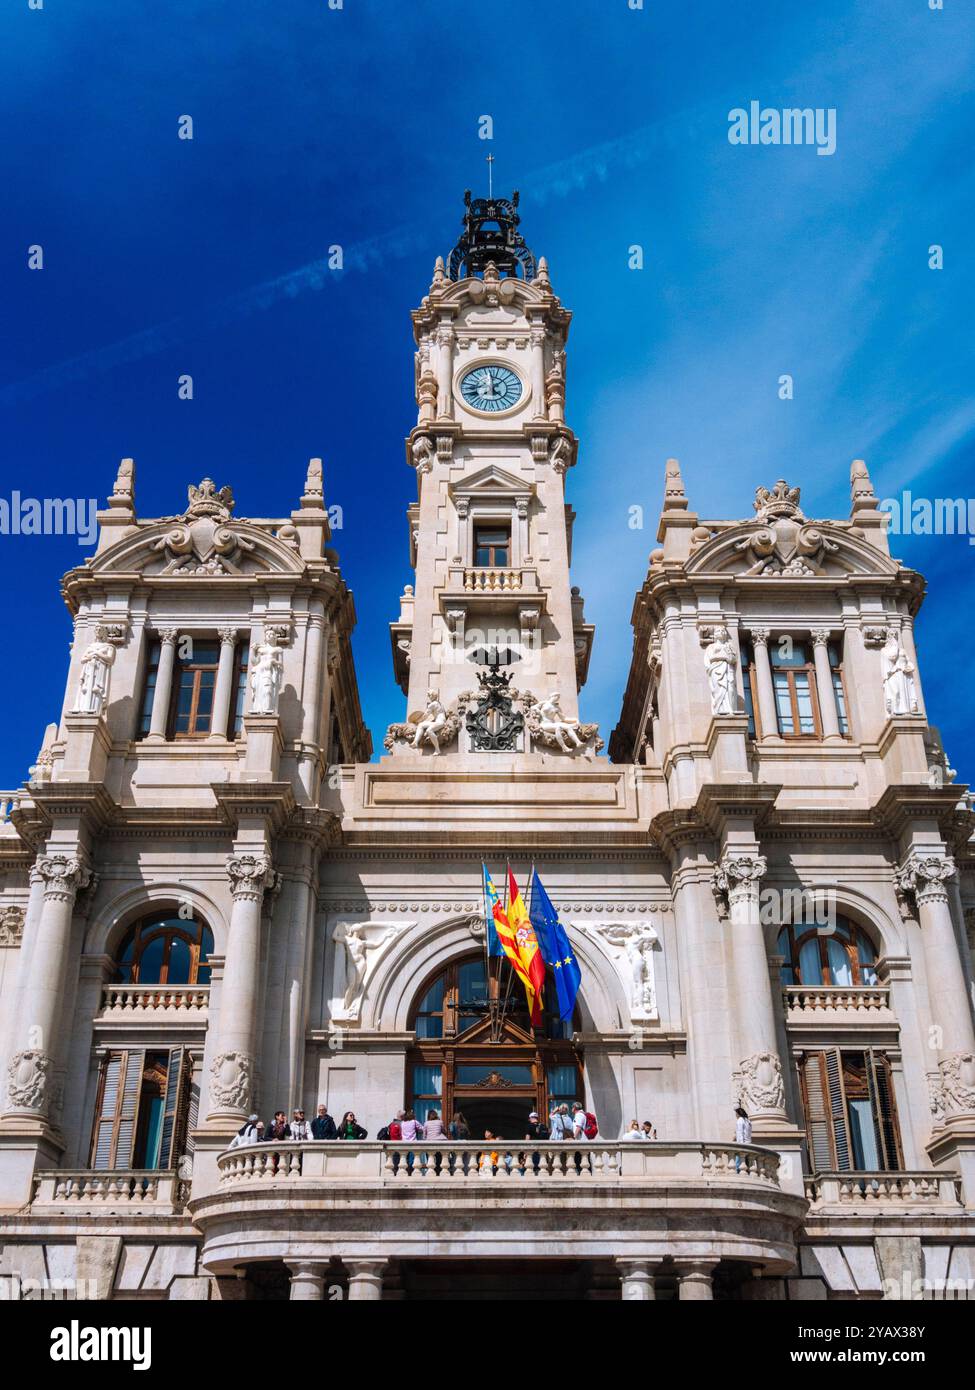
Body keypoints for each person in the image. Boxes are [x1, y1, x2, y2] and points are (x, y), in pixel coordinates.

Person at [524, 1110, 550, 1174]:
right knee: (542, 1167)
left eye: (529, 1119)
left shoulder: (529, 1126)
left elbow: (527, 1138)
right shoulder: (543, 1126)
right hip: (543, 1150)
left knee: (534, 1167)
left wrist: (525, 1151)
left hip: (533, 1150)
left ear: (531, 1118)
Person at [734, 1105, 752, 1172]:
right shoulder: (748, 1121)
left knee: (738, 1163)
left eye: (736, 1114)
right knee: (746, 1162)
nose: (736, 1115)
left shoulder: (740, 1120)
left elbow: (740, 1133)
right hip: (748, 1143)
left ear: (738, 1114)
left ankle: (738, 1172)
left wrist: (740, 1145)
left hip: (742, 1144)